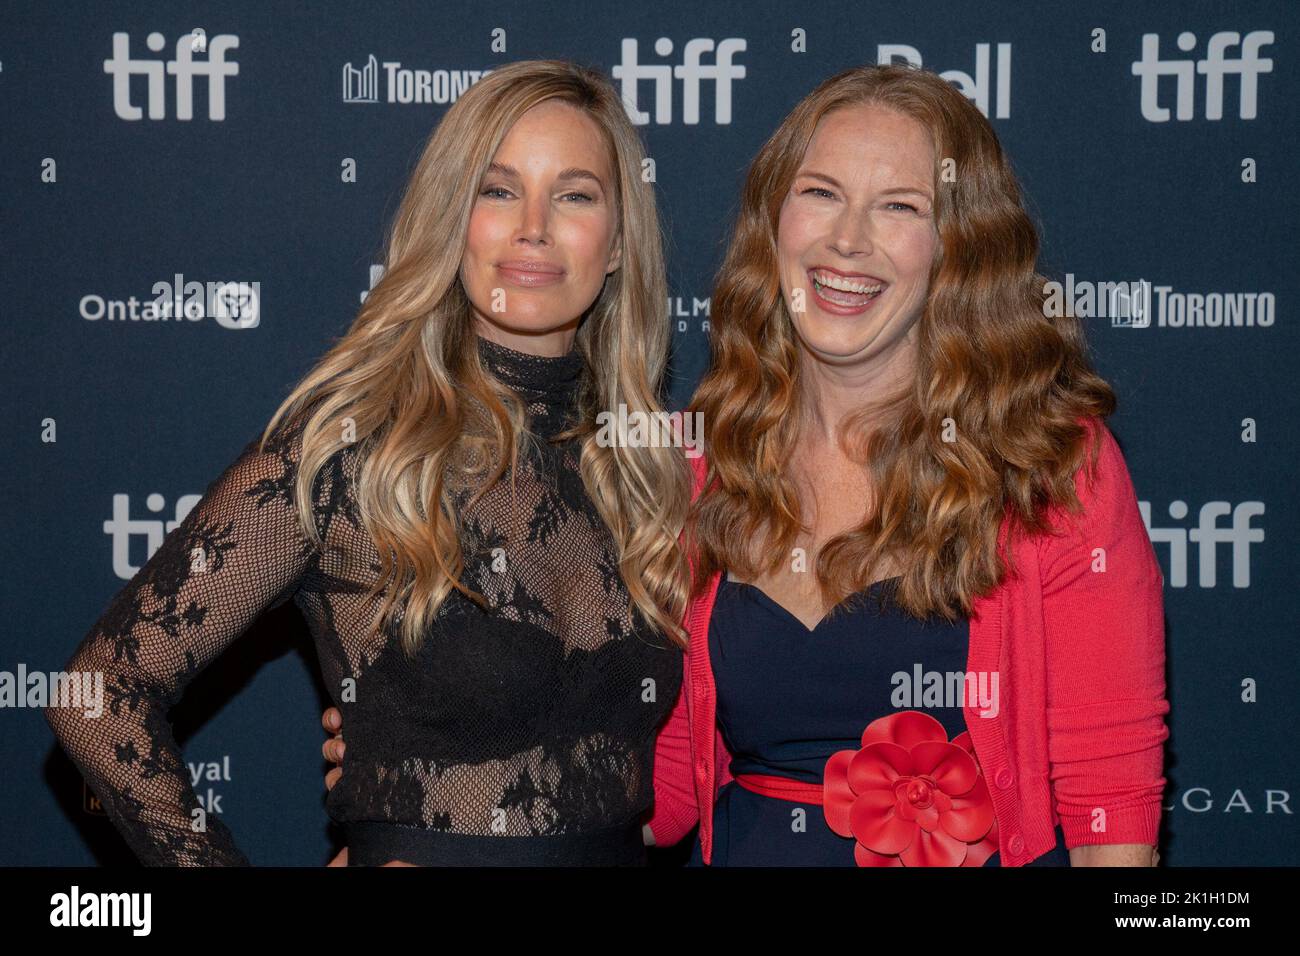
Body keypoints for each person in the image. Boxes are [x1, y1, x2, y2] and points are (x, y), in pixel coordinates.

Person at [324, 64, 1170, 867]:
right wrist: (431, 765)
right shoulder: (699, 465)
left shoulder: (1050, 465)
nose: (847, 241)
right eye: (821, 195)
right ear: (774, 223)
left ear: (963, 246)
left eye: (900, 208)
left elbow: (1112, 803)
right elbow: (644, 797)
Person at [44, 59, 693, 867]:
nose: (534, 225)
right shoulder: (352, 447)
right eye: (496, 190)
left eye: (574, 194)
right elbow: (98, 693)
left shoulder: (643, 467)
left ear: (621, 244)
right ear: (452, 219)